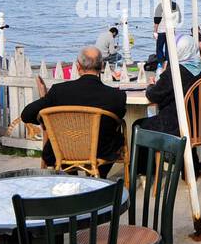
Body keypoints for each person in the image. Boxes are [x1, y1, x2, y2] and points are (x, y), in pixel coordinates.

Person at [20, 47, 126, 175]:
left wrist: (45, 118)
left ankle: (70, 176)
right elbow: (118, 119)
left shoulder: (58, 91)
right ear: (102, 66)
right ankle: (98, 177)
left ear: (78, 66)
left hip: (63, 151)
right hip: (101, 151)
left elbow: (26, 115)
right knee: (115, 134)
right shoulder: (116, 96)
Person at [138, 33, 201, 140]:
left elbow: (153, 95)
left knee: (139, 126)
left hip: (176, 124)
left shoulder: (176, 72)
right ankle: (191, 156)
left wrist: (151, 84)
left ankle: (146, 157)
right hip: (199, 124)